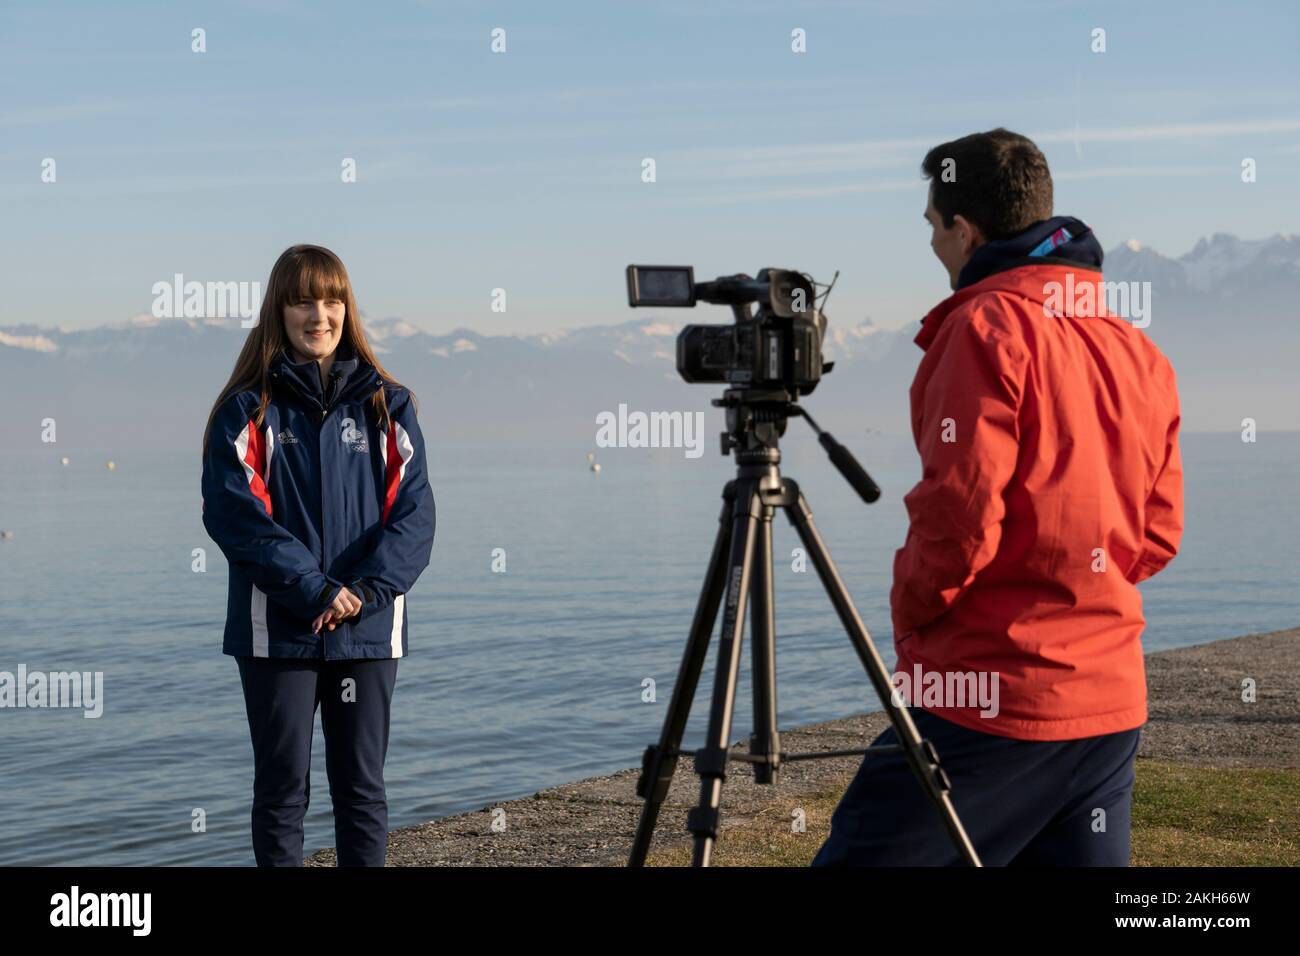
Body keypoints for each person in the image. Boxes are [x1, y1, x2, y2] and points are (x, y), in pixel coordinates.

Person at [811, 129, 1183, 866]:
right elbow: (1157, 532)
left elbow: (959, 520)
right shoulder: (1135, 347)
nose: (933, 246)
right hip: (1107, 700)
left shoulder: (984, 328)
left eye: (932, 227)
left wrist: (913, 611)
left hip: (992, 699)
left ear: (964, 228)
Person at [200, 244, 436, 866]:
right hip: (277, 632)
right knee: (282, 793)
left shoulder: (390, 404)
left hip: (367, 631)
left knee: (362, 792)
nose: (318, 314)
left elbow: (415, 518)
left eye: (331, 299)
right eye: (302, 300)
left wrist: (362, 593)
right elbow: (235, 515)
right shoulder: (247, 409)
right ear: (278, 310)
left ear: (347, 310)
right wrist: (316, 591)